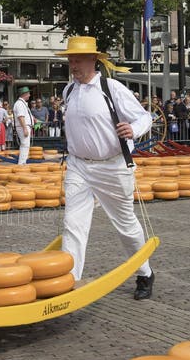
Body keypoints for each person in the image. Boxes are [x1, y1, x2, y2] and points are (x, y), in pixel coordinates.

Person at [59, 36, 154, 300]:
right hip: (78, 166)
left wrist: (132, 129)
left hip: (112, 166)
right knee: (73, 224)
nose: (72, 64)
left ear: (93, 60)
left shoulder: (110, 88)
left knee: (125, 224)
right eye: (70, 59)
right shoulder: (69, 90)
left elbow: (145, 116)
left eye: (77, 59)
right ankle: (69, 283)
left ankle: (144, 272)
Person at [13, 86, 33, 164]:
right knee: (25, 145)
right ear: (24, 94)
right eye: (28, 93)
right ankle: (22, 163)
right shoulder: (19, 104)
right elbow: (21, 117)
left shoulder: (22, 103)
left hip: (24, 126)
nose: (29, 95)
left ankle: (23, 162)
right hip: (23, 126)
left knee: (25, 145)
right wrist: (24, 128)